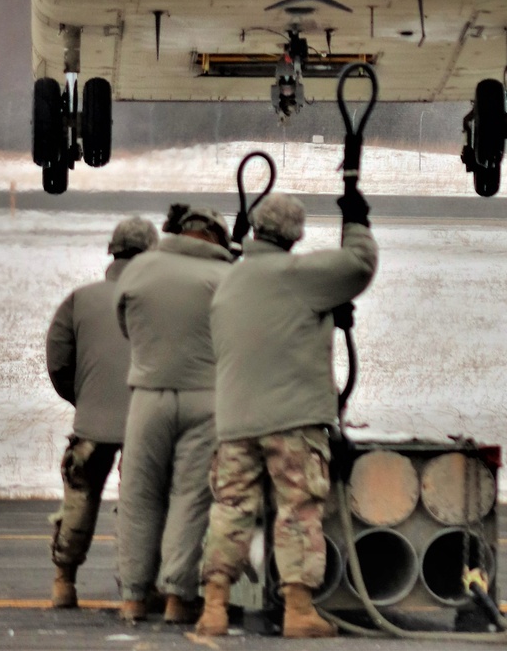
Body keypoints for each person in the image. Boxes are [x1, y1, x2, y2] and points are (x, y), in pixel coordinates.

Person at [197, 188, 378, 639]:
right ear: (295, 235)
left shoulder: (230, 280)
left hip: (236, 420)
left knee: (230, 510)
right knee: (298, 511)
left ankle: (214, 607)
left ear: (257, 229)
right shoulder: (299, 274)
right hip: (292, 420)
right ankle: (299, 611)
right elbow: (358, 265)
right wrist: (356, 218)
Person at [114, 204, 235, 625]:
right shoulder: (227, 278)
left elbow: (126, 326)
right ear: (218, 237)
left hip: (148, 395)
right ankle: (178, 596)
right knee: (191, 496)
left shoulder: (140, 269)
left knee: (139, 494)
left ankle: (132, 595)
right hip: (208, 397)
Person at [45, 215, 159, 609]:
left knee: (79, 498)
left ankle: (64, 581)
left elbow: (59, 363)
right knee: (140, 505)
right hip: (148, 421)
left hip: (91, 421)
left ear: (112, 253)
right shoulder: (159, 301)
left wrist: (84, 398)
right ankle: (137, 589)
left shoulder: (80, 298)